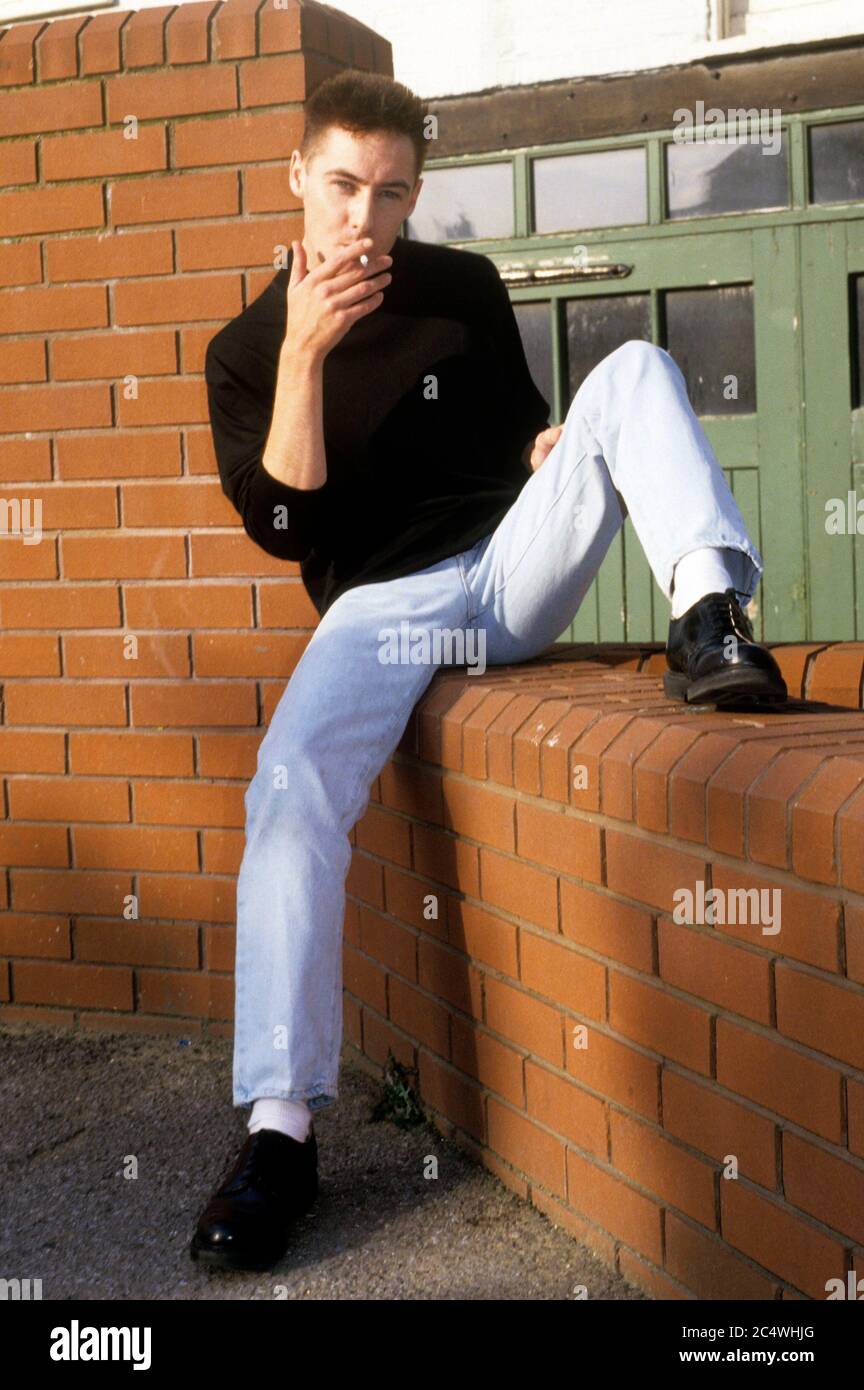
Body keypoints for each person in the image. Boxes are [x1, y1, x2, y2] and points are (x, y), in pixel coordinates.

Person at [190, 69, 787, 1272]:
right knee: (292, 778)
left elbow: (516, 433)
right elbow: (289, 528)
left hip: (506, 568)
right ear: (300, 178)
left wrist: (555, 448)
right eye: (345, 186)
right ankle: (280, 1130)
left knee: (629, 372)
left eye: (393, 193)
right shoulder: (246, 348)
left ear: (416, 194)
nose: (365, 218)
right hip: (379, 604)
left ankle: (712, 616)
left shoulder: (460, 287)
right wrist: (308, 349)